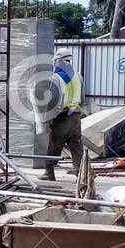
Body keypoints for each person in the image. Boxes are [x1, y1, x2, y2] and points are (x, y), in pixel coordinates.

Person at [42, 48, 85, 180]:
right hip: (75, 117)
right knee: (76, 147)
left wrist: (48, 119)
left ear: (59, 61)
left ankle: (49, 173)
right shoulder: (78, 76)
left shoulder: (56, 78)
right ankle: (81, 175)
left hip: (61, 118)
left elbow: (52, 102)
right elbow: (82, 98)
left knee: (54, 145)